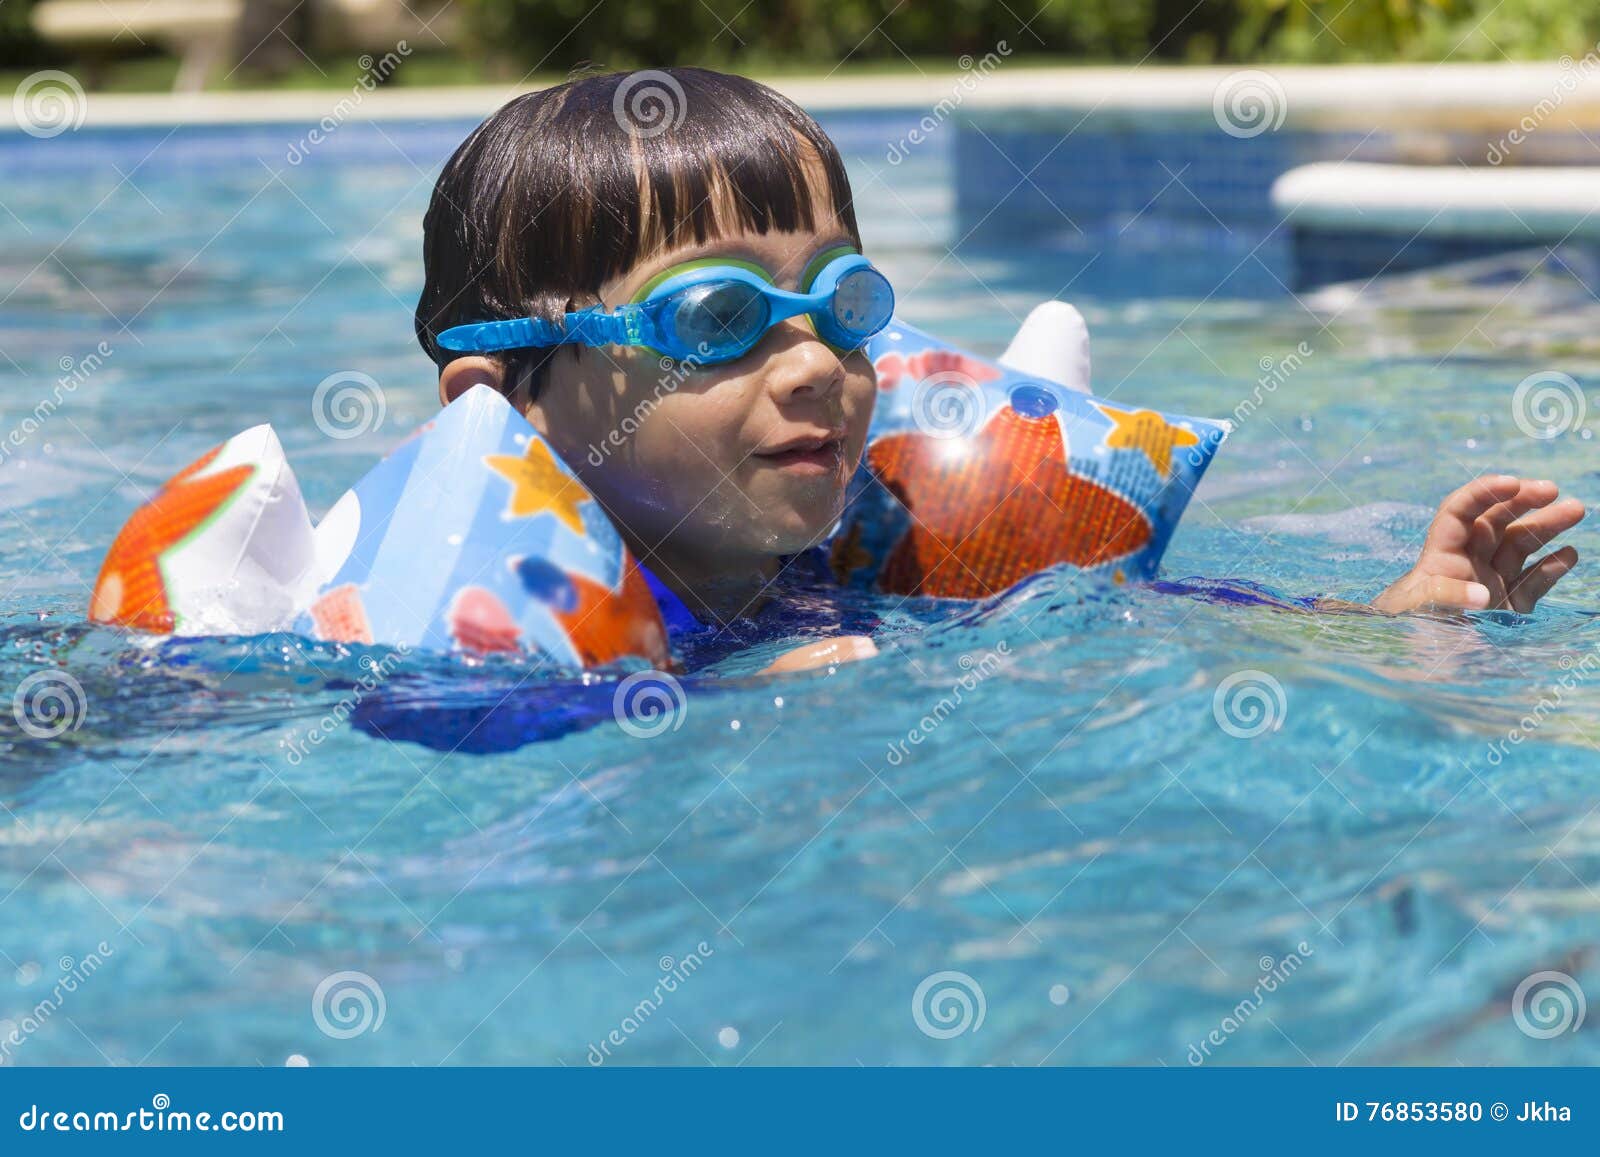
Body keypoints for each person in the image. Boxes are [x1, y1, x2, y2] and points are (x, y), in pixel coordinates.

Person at [413, 68, 1584, 673]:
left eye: (842, 301)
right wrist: (711, 709)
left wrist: (1391, 618)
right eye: (717, 315)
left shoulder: (845, 566)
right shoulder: (496, 639)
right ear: (507, 399)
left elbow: (1146, 617)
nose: (815, 361)